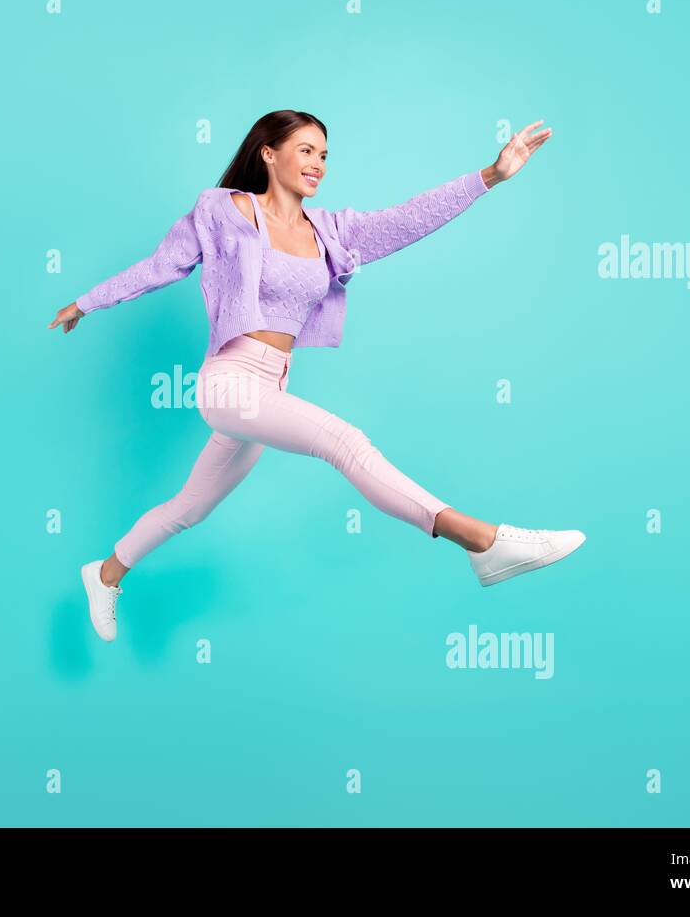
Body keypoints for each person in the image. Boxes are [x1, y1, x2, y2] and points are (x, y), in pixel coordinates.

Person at [49, 110, 584, 641]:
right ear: (269, 153)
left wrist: (489, 176)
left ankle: (104, 574)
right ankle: (482, 542)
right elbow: (161, 264)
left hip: (271, 386)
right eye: (305, 150)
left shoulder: (330, 231)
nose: (318, 164)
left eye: (324, 155)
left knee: (190, 507)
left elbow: (409, 218)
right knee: (344, 442)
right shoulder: (227, 211)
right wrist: (85, 303)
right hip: (229, 381)